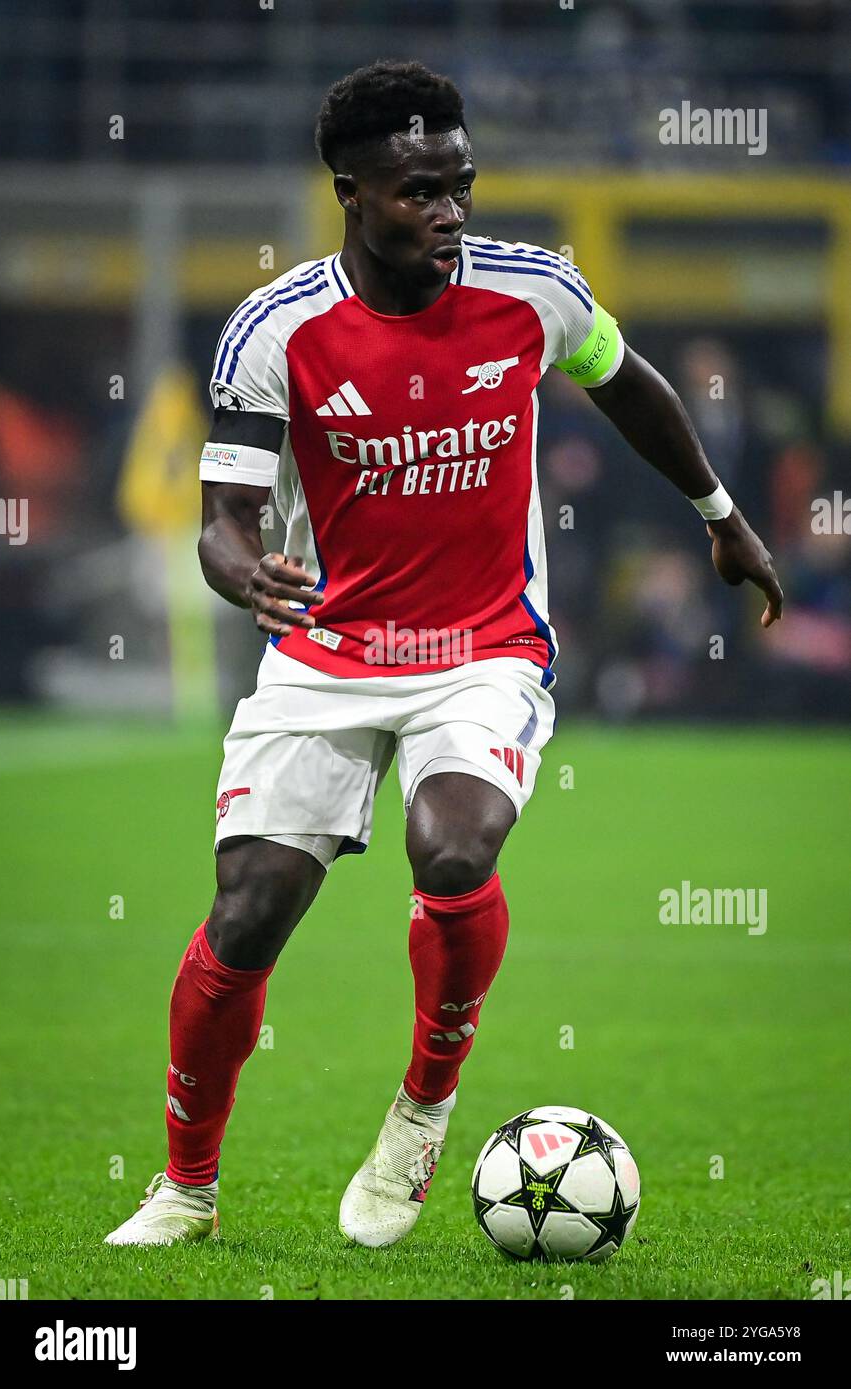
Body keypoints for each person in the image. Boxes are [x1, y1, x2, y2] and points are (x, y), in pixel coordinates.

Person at [105, 60, 782, 1249]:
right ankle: (184, 1188)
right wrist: (240, 571)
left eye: (461, 186)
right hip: (324, 650)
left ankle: (422, 1110)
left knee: (453, 843)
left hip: (483, 645)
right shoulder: (278, 329)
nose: (450, 212)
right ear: (350, 192)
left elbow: (628, 388)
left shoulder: (534, 294)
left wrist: (717, 510)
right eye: (420, 191)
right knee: (249, 908)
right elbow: (224, 516)